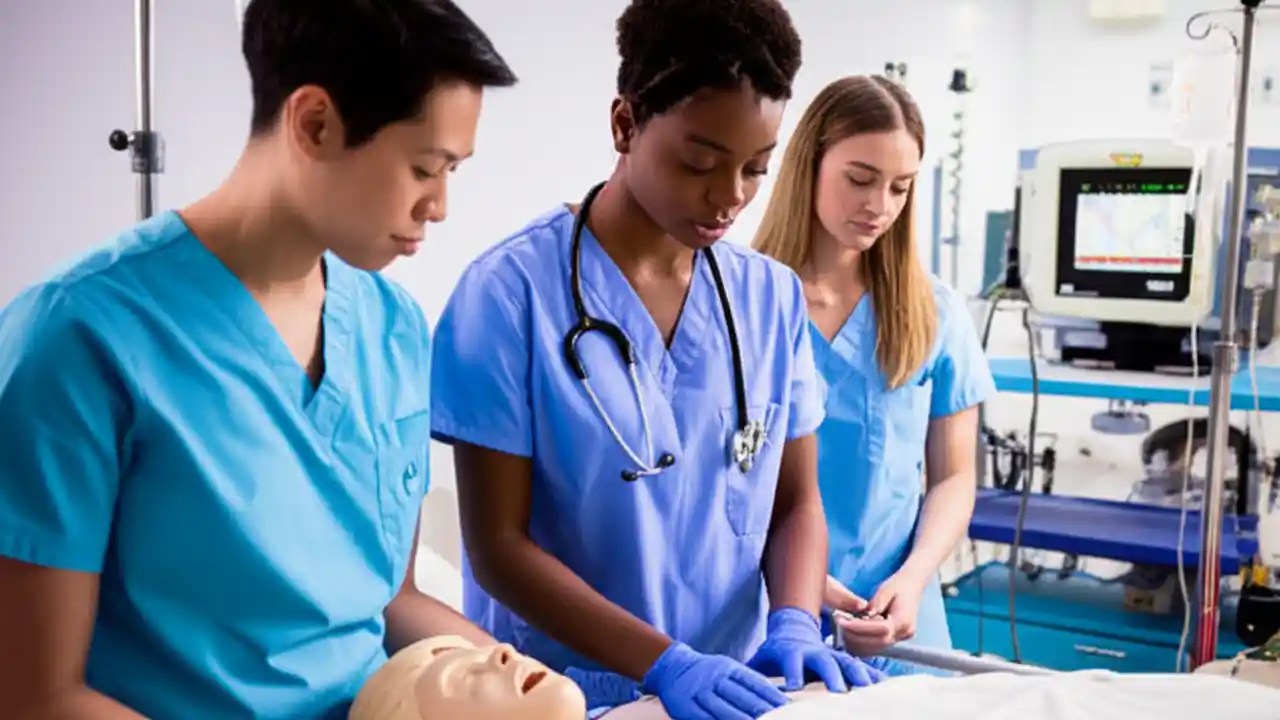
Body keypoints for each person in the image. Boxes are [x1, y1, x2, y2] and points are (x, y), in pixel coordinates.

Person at [0, 1, 516, 717]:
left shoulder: (392, 327)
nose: (441, 205)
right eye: (426, 167)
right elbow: (38, 697)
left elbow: (391, 602)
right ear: (314, 124)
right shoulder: (80, 336)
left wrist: (517, 677)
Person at [430, 1, 882, 718]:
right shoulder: (510, 295)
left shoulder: (768, 297)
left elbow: (794, 501)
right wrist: (664, 662)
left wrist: (793, 616)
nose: (729, 196)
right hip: (562, 694)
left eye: (756, 169)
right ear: (625, 123)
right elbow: (498, 548)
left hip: (730, 692)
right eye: (699, 162)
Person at [753, 75, 996, 674]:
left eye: (900, 188)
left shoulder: (933, 313)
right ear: (808, 165)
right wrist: (798, 579)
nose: (880, 206)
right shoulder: (746, 303)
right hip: (767, 605)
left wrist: (913, 578)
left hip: (899, 617)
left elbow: (954, 477)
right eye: (859, 180)